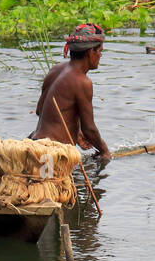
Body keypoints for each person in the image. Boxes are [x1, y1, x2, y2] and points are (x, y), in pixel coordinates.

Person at [29, 23, 112, 161]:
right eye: (100, 51)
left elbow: (40, 110)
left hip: (34, 143)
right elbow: (89, 129)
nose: (101, 55)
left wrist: (76, 131)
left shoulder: (56, 69)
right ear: (90, 52)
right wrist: (105, 151)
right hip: (51, 154)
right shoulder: (82, 81)